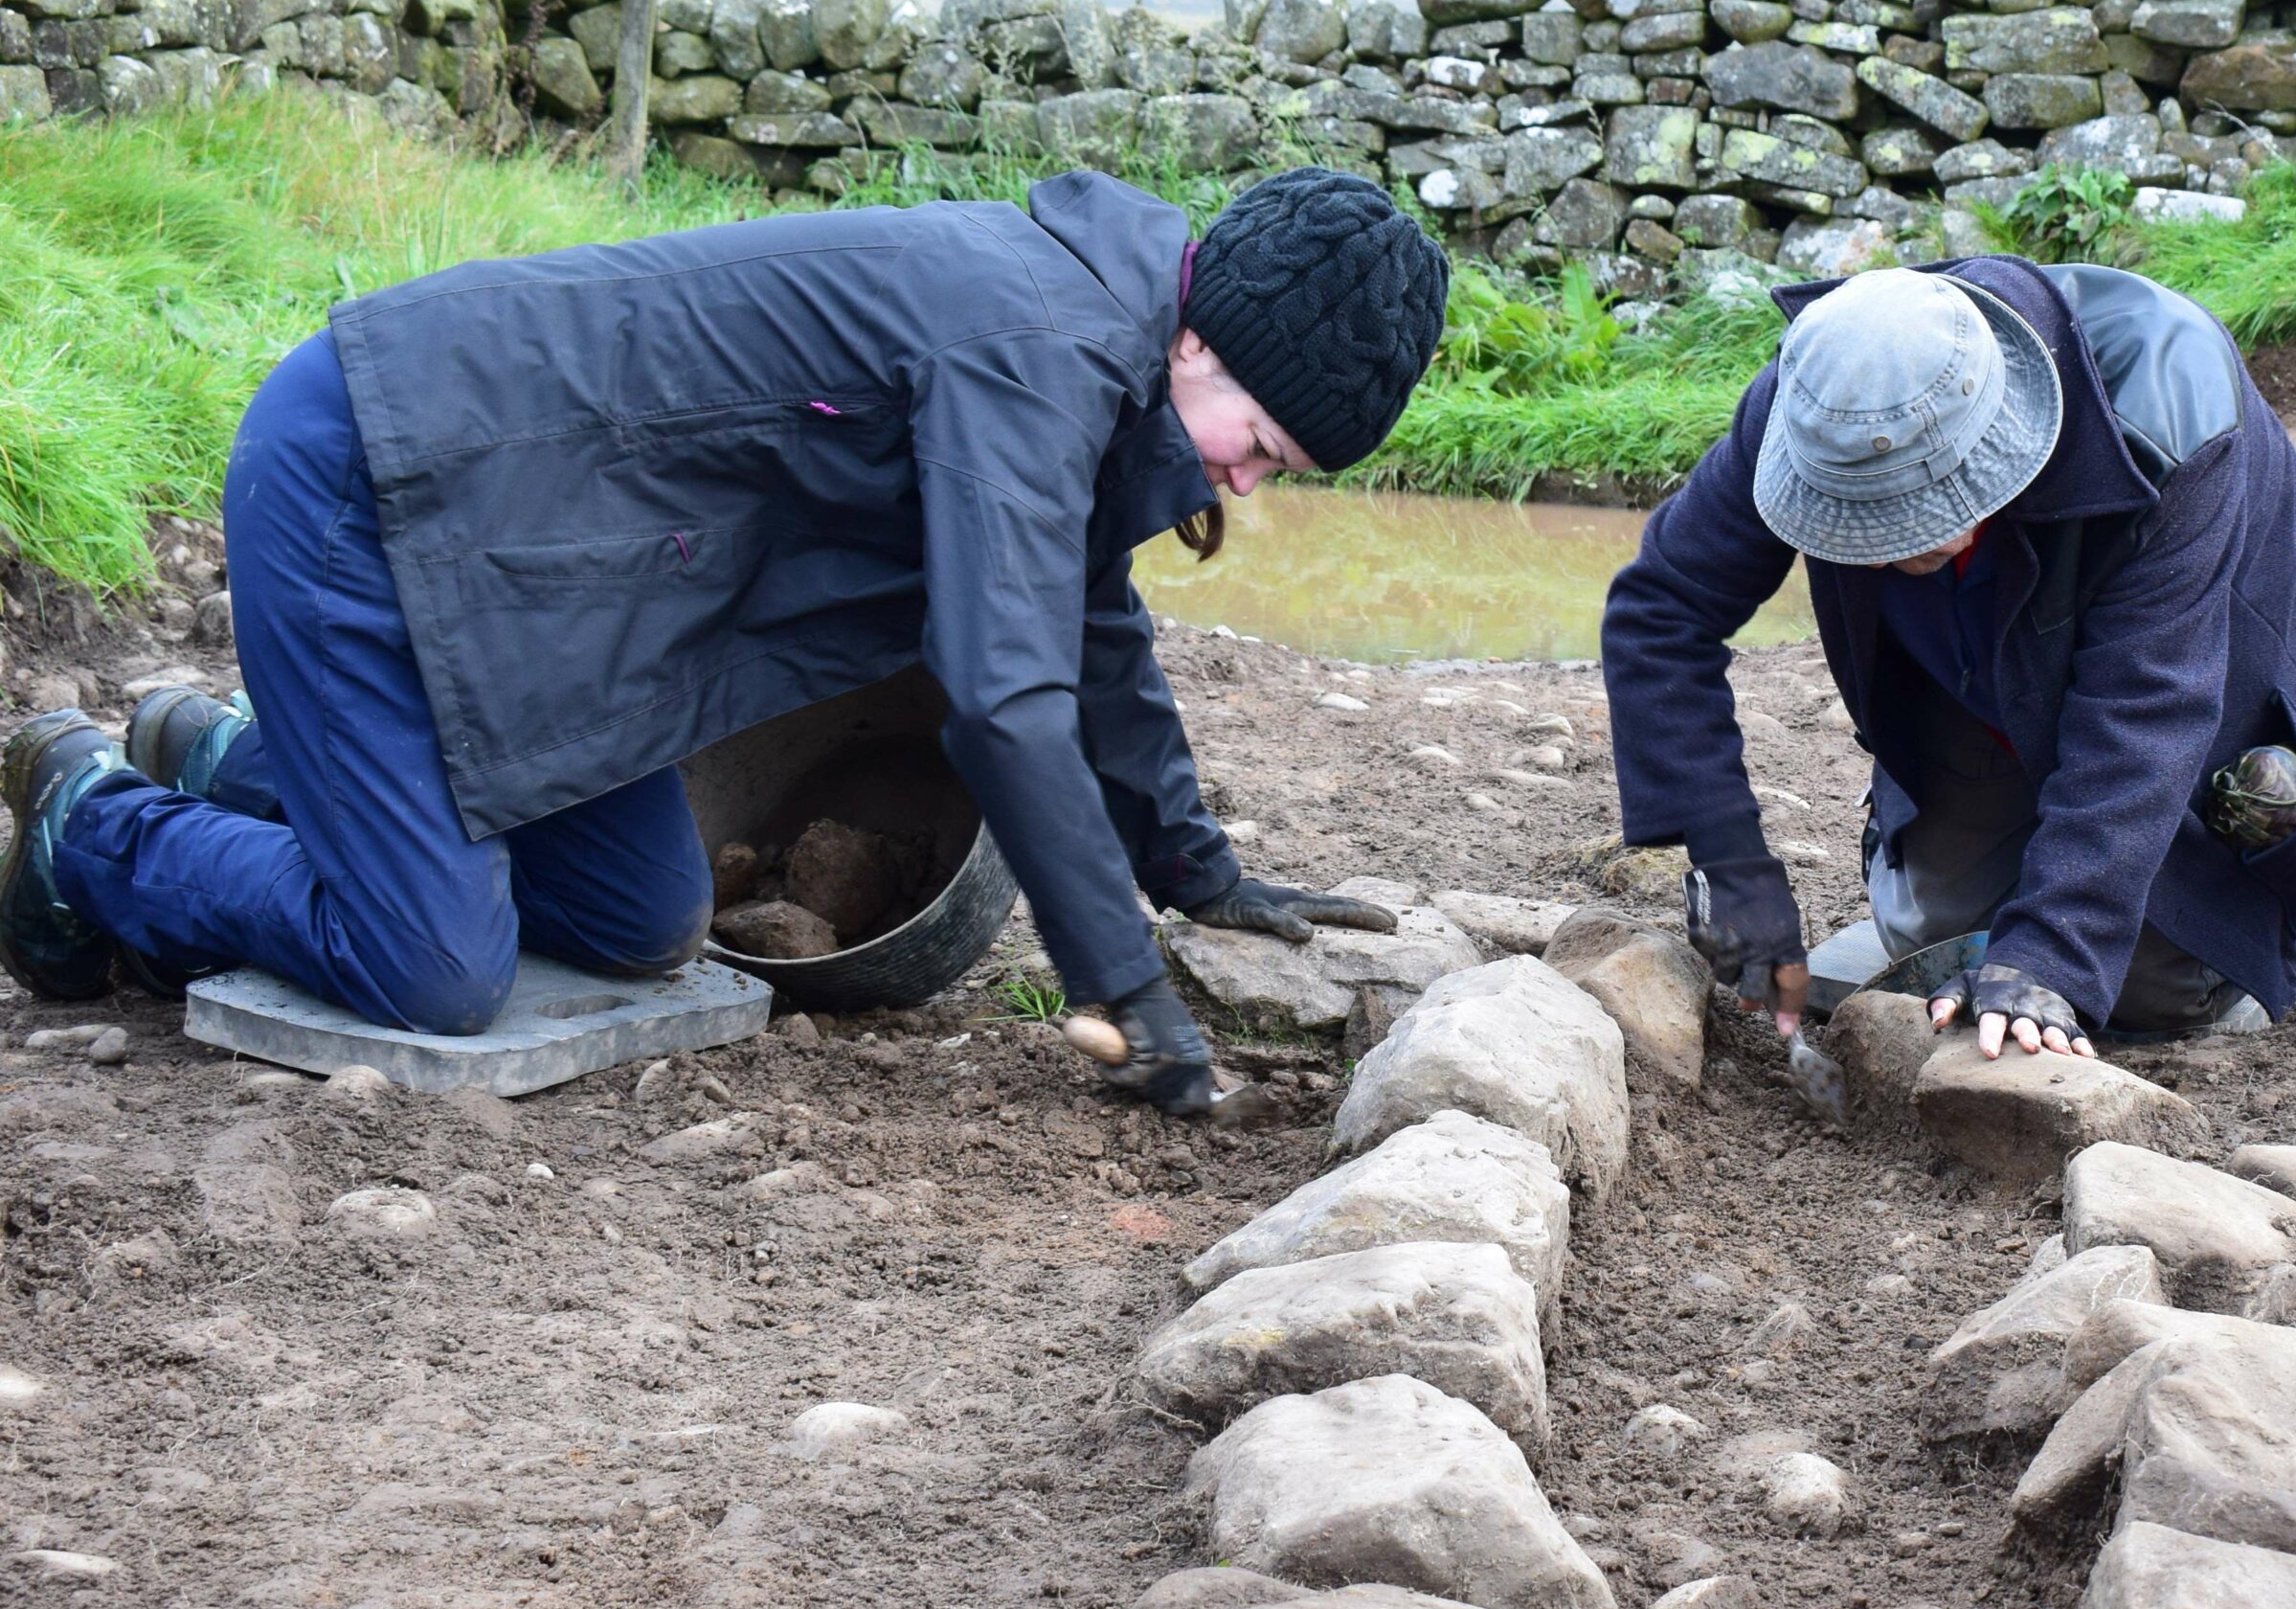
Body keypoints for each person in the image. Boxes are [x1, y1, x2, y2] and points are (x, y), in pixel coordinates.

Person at [0, 167, 1447, 1116]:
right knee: (428, 962)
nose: (1249, 483)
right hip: (380, 478)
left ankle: (238, 755)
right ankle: (98, 823)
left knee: (641, 922)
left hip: (542, 578)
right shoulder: (1035, 341)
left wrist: (1199, 873)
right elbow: (1007, 699)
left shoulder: (1111, 360)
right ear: (1202, 340)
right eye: (1261, 443)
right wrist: (1118, 984)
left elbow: (1089, 628)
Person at [1602, 257, 2296, 1062]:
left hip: (2198, 668)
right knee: (1939, 940)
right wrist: (1730, 857)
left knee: (2137, 980)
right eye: (1882, 523)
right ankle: (1973, 905)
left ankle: (2195, 957)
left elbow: (2146, 711)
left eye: (1947, 498)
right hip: (1971, 665)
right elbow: (1661, 609)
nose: (1931, 540)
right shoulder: (1819, 405)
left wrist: (2047, 955)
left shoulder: (2171, 415)